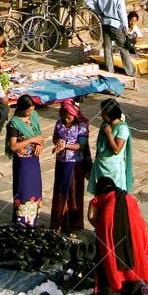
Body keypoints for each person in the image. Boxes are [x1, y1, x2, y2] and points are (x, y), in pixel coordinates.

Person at [87, 177, 148, 295]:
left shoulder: (100, 198)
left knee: (105, 266)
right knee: (134, 265)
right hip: (134, 232)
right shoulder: (128, 197)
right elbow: (142, 221)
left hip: (109, 230)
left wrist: (99, 227)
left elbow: (91, 215)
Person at [50, 99, 90, 233]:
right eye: (64, 116)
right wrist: (58, 142)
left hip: (75, 164)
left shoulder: (82, 126)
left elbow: (81, 145)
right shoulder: (59, 124)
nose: (67, 120)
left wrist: (66, 146)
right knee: (60, 192)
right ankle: (58, 223)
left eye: (69, 117)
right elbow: (55, 137)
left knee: (73, 193)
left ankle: (74, 224)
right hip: (61, 162)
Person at [6, 95, 43, 225]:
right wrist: (31, 140)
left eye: (32, 110)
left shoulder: (34, 117)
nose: (30, 113)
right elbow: (13, 146)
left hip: (34, 160)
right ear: (22, 109)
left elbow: (38, 134)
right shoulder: (14, 124)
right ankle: (21, 220)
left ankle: (33, 219)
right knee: (23, 189)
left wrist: (39, 143)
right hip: (22, 162)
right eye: (28, 111)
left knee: (35, 189)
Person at [85, 0, 135, 81]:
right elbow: (122, 12)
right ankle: (130, 71)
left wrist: (99, 12)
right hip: (115, 24)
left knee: (107, 47)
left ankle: (109, 70)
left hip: (105, 22)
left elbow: (88, 3)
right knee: (123, 47)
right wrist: (125, 26)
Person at [88, 100, 133, 193]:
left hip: (114, 170)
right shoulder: (106, 124)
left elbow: (116, 150)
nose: (101, 115)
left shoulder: (122, 128)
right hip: (101, 167)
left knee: (113, 196)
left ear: (110, 114)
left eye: (103, 113)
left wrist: (109, 134)